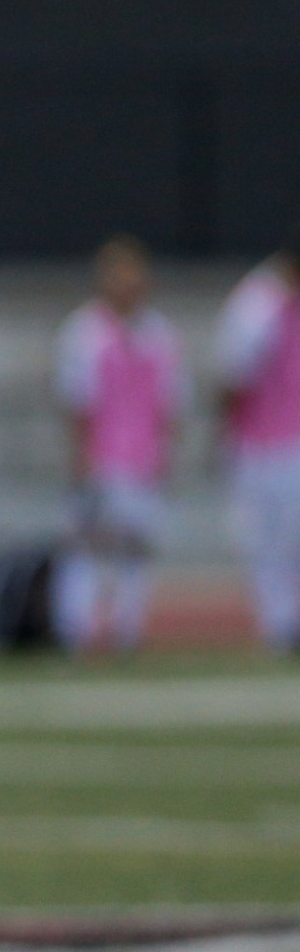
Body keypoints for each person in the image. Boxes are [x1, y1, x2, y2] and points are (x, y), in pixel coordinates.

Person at [51, 237, 188, 654]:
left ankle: (126, 629)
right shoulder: (84, 332)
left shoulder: (160, 335)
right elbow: (78, 403)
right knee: (91, 547)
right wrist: (82, 460)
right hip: (103, 458)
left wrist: (165, 456)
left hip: (143, 460)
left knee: (135, 548)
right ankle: (77, 628)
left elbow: (171, 404)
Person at [214, 226, 300, 653]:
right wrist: (228, 436)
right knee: (267, 540)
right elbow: (234, 378)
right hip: (262, 443)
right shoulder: (256, 306)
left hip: (295, 438)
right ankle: (278, 626)